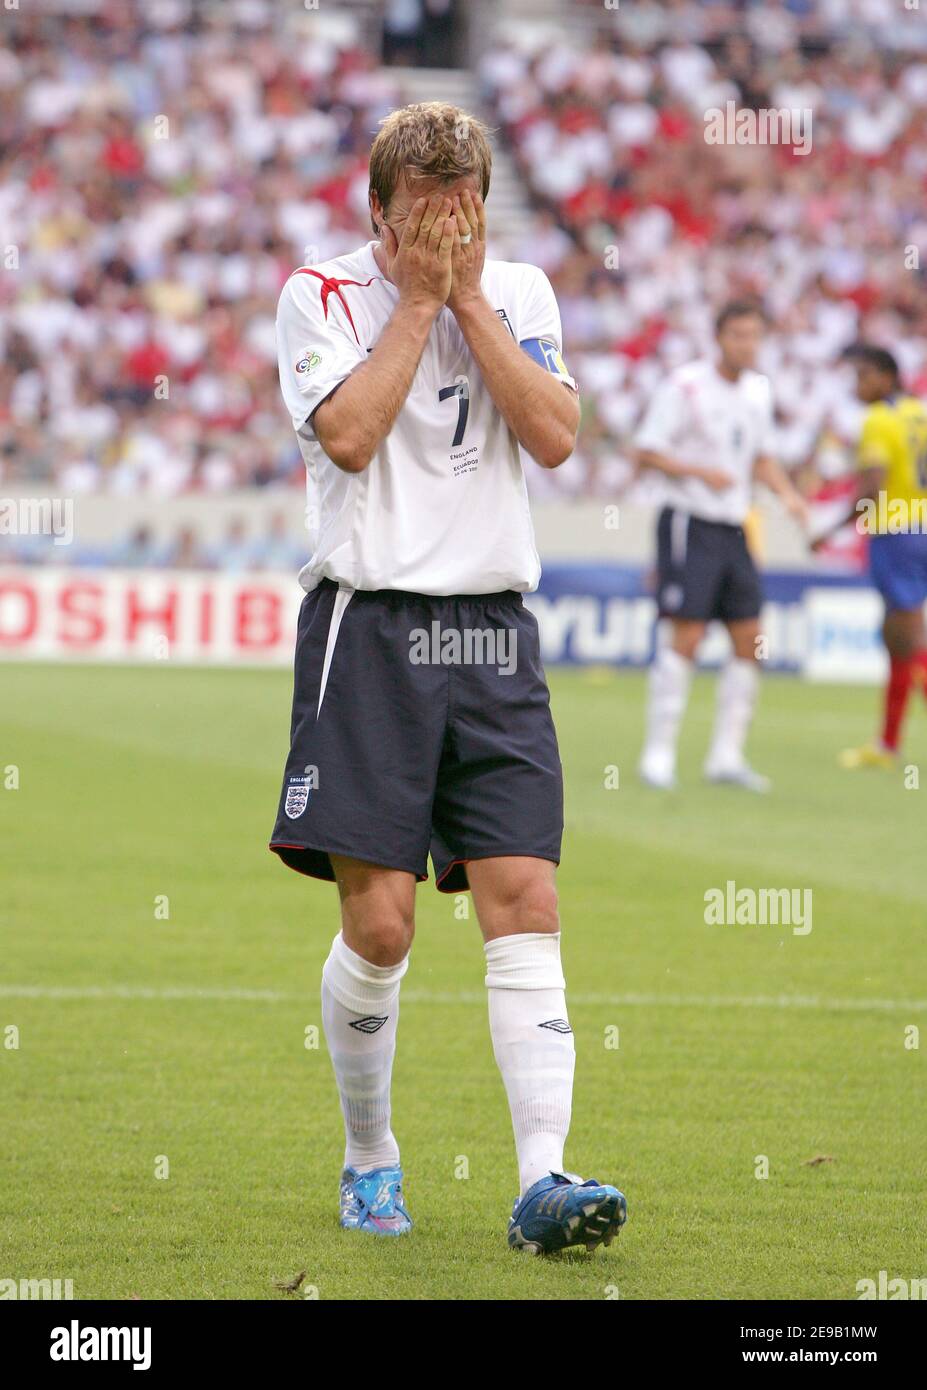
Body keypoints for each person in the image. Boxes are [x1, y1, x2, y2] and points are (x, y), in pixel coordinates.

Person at [268, 102, 627, 1254]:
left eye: (465, 214)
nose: (448, 234)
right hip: (368, 627)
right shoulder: (317, 295)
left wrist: (468, 295)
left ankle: (542, 1181)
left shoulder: (518, 292)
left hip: (492, 631)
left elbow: (560, 436)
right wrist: (421, 303)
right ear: (380, 211)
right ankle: (370, 1156)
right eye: (426, 218)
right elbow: (354, 436)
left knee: (527, 899)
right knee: (382, 929)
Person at [635, 300, 809, 792]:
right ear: (719, 337)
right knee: (686, 636)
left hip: (736, 526)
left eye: (754, 336)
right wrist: (699, 473)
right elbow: (646, 451)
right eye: (738, 335)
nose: (746, 345)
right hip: (691, 522)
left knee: (750, 639)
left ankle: (726, 756)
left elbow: (762, 457)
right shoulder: (685, 386)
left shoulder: (759, 389)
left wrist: (791, 498)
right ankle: (659, 753)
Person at [814, 345, 927, 767]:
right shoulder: (920, 412)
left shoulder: (878, 420)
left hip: (895, 533)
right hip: (921, 528)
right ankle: (888, 743)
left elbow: (872, 489)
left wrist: (830, 529)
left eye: (863, 377)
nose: (857, 387)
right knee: (899, 640)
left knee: (910, 639)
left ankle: (887, 744)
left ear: (885, 376)